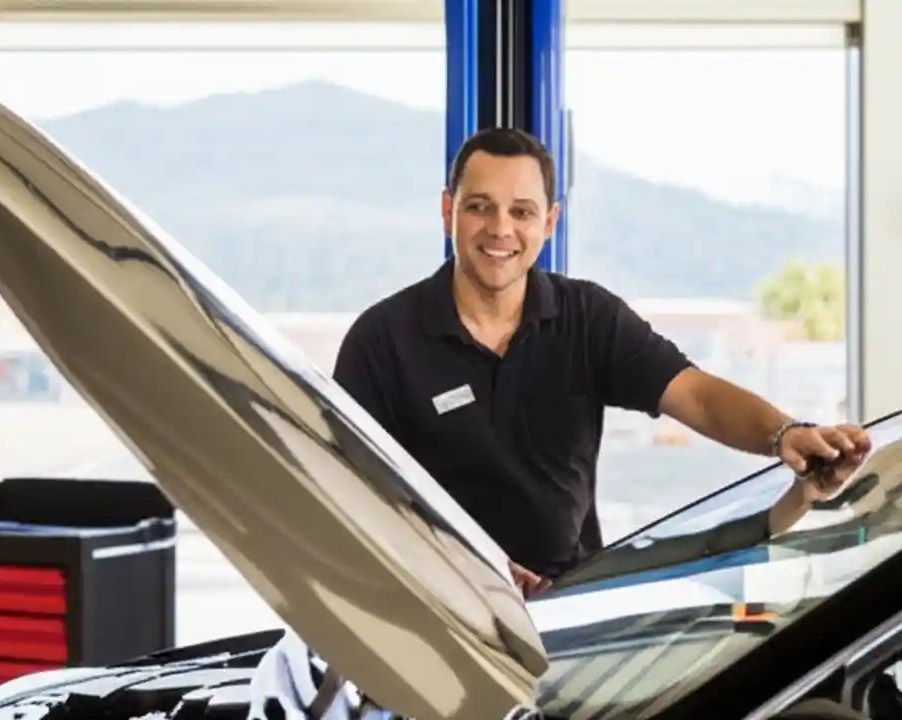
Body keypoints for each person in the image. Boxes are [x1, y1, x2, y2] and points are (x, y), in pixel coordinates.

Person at [331, 127, 871, 598]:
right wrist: (466, 572)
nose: (500, 229)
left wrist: (784, 434)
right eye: (479, 206)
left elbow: (697, 394)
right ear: (449, 209)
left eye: (522, 211)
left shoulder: (587, 318)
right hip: (437, 614)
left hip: (573, 612)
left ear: (550, 222)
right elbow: (346, 499)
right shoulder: (381, 341)